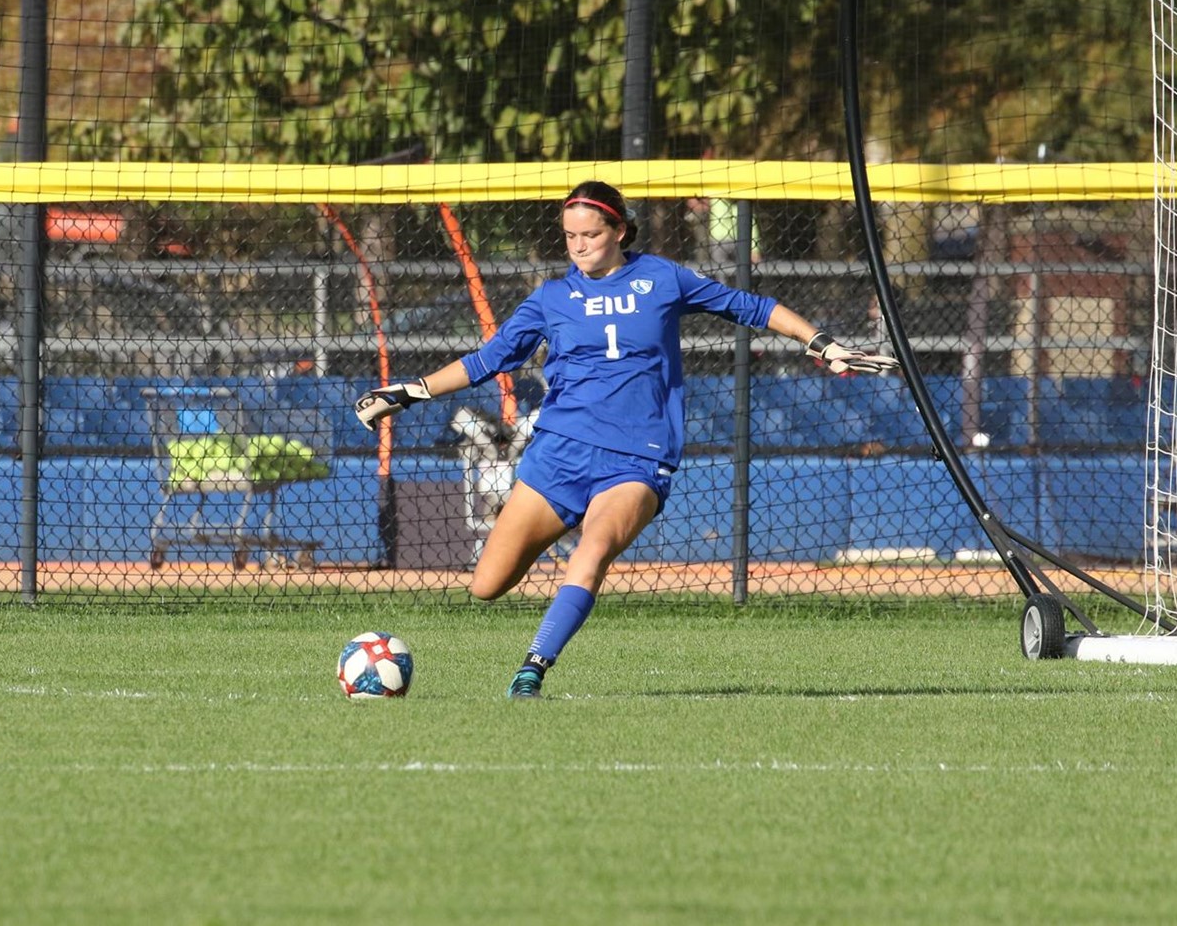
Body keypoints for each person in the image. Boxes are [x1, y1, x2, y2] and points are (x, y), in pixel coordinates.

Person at [354, 181, 897, 698]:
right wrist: (408, 392)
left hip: (635, 458)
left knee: (591, 551)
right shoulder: (551, 298)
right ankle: (550, 563)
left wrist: (822, 343)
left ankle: (531, 671)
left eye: (589, 233)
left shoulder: (661, 279)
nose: (579, 245)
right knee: (486, 585)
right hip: (559, 454)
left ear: (619, 231)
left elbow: (751, 307)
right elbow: (487, 361)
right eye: (570, 236)